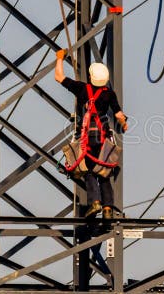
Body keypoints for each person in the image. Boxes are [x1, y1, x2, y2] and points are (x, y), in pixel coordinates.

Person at [55, 49, 128, 219]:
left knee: (87, 170)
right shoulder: (109, 94)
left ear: (90, 77)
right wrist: (124, 125)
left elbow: (59, 77)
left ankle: (95, 202)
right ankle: (108, 208)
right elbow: (118, 115)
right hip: (103, 137)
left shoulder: (81, 89)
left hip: (86, 138)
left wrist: (59, 59)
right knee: (104, 171)